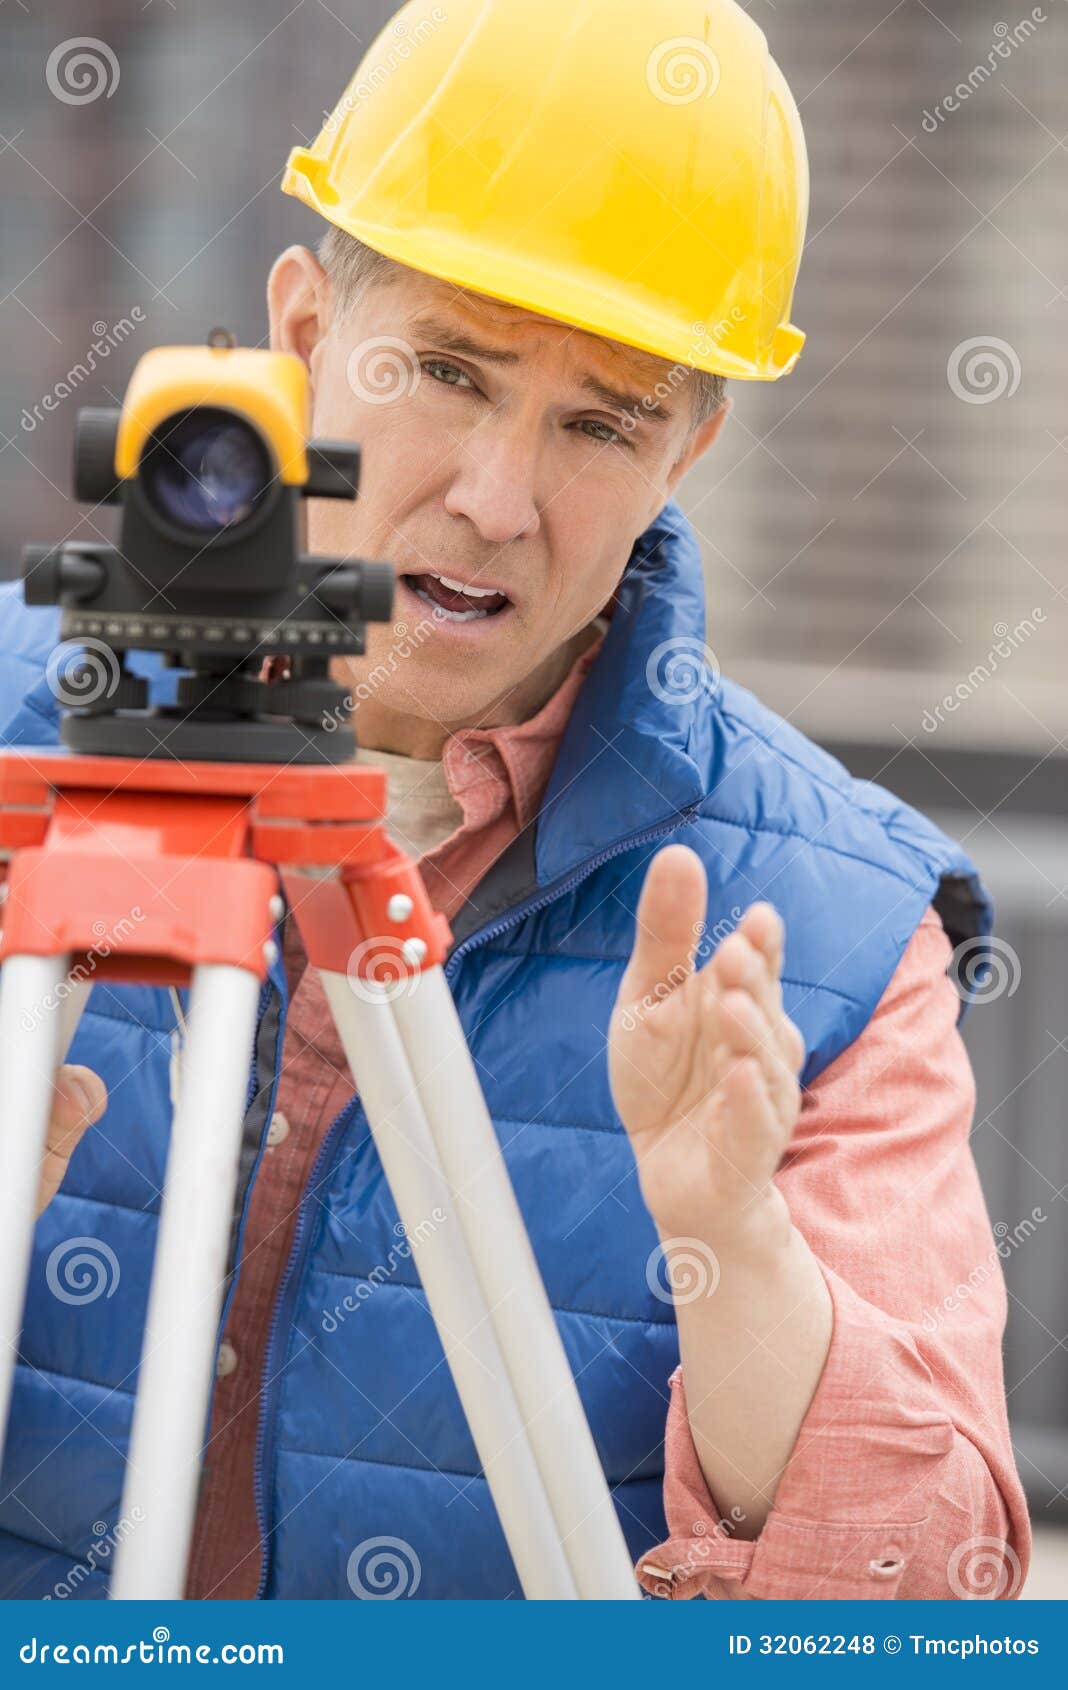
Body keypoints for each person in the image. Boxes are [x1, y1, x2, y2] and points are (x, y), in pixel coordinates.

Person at [0, 0, 1028, 1601]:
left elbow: (919, 1597)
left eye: (598, 423)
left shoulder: (832, 932)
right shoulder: (18, 746)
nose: (493, 498)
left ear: (688, 447)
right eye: (449, 374)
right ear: (298, 335)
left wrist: (734, 1246)